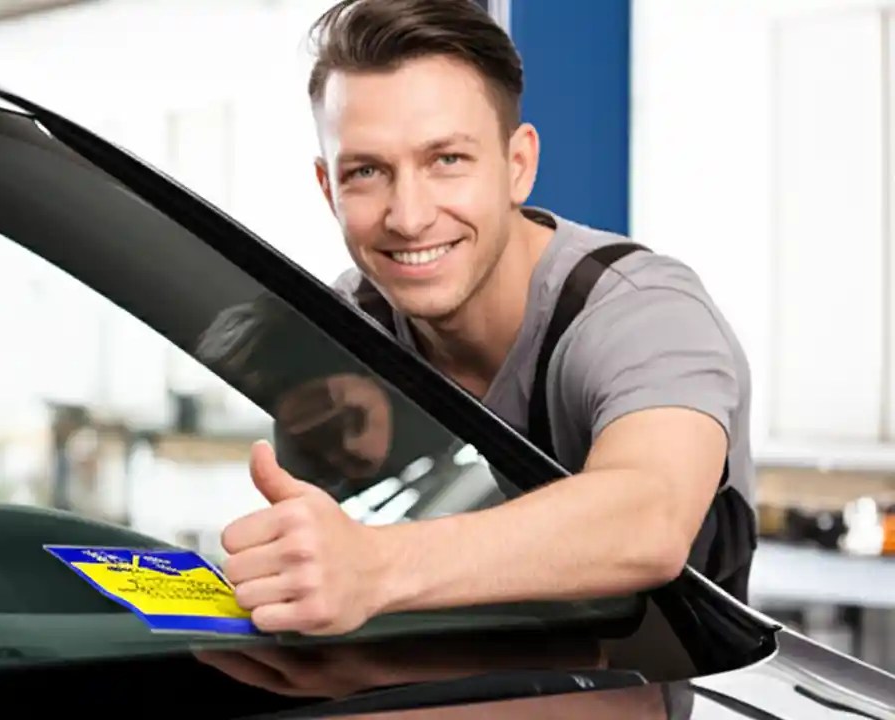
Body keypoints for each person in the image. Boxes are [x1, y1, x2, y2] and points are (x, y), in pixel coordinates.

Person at [216, 0, 758, 637]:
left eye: (446, 159)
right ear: (329, 189)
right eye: (367, 171)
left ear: (517, 166)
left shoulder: (642, 310)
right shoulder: (343, 334)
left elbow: (649, 518)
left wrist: (374, 567)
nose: (409, 216)